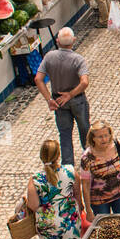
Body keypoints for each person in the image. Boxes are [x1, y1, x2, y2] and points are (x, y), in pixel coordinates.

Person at [33, 27, 90, 168]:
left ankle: (68, 167)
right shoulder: (78, 60)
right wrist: (71, 94)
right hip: (77, 100)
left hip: (58, 101)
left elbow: (38, 79)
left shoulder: (49, 57)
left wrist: (49, 100)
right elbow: (84, 82)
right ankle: (89, 160)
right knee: (85, 130)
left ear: (57, 41)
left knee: (64, 134)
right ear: (74, 41)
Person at [24, 140, 81, 239]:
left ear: (41, 157)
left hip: (47, 223)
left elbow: (33, 205)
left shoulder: (35, 179)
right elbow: (77, 195)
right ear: (58, 155)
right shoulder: (70, 171)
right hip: (68, 220)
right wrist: (81, 210)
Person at [78, 121, 120, 216]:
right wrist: (88, 209)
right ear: (93, 138)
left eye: (106, 135)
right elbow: (85, 185)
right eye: (100, 137)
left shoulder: (117, 145)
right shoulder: (86, 158)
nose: (104, 139)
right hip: (99, 200)